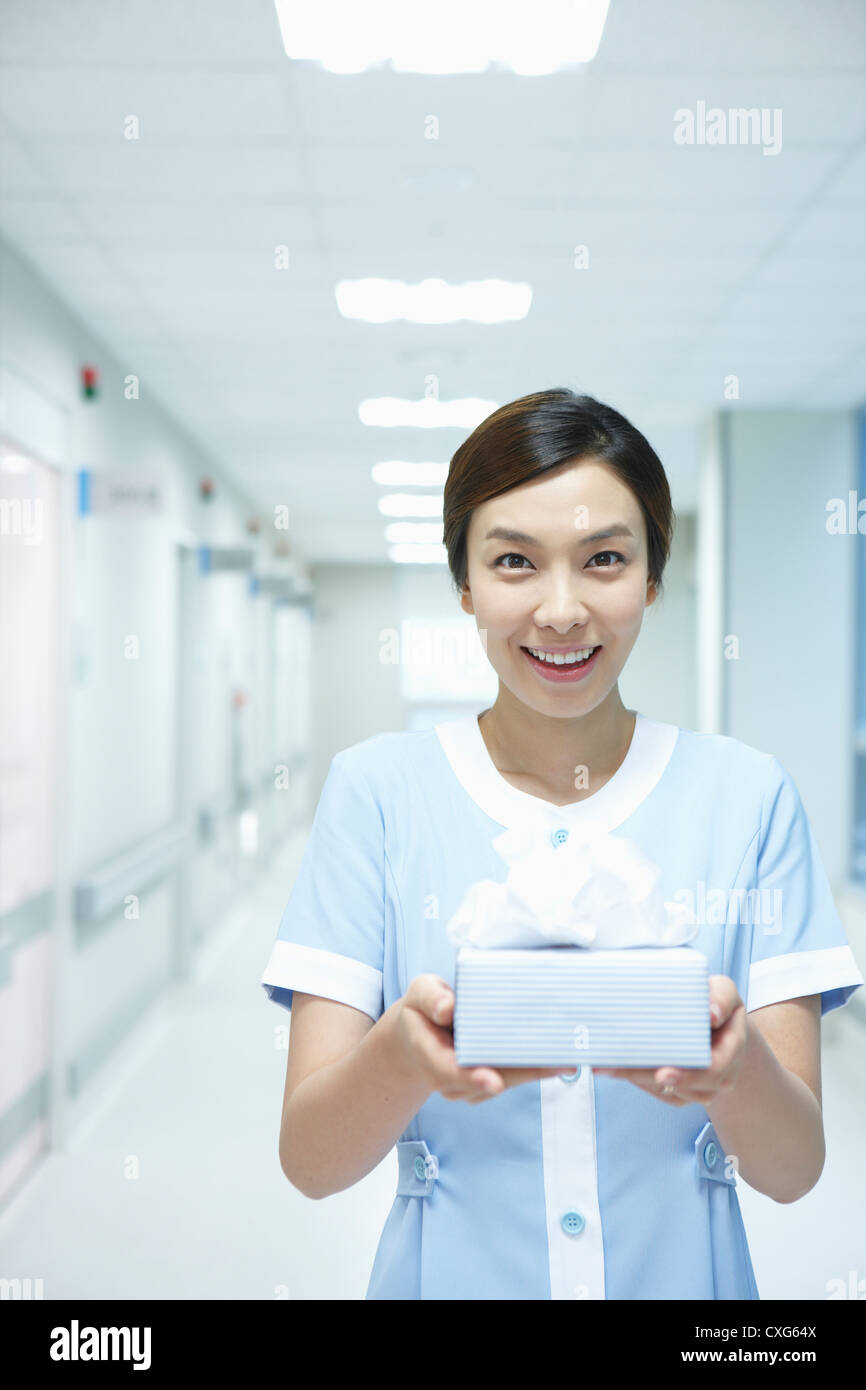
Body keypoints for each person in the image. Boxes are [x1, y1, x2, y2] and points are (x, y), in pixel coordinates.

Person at [259, 387, 864, 1299]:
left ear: (653, 576)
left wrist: (735, 1073)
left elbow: (792, 1170)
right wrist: (401, 1057)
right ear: (464, 582)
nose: (562, 609)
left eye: (605, 559)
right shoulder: (377, 794)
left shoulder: (748, 798)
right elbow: (310, 1162)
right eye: (513, 562)